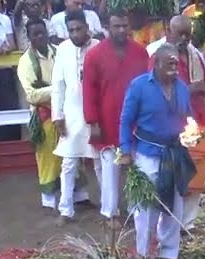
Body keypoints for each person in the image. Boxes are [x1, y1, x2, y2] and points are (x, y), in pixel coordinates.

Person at [119, 44, 194, 259]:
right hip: (147, 154)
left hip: (175, 153)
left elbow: (187, 118)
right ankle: (143, 252)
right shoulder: (139, 86)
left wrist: (192, 134)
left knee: (175, 204)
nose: (174, 67)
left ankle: (169, 253)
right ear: (157, 63)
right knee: (145, 207)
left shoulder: (182, 88)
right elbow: (126, 120)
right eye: (169, 63)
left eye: (176, 63)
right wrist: (125, 150)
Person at [148, 15, 205, 231]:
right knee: (172, 176)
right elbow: (155, 87)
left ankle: (189, 223)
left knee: (197, 175)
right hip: (171, 125)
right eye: (180, 34)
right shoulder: (157, 55)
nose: (184, 38)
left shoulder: (196, 54)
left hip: (197, 120)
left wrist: (194, 87)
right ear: (169, 30)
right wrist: (188, 88)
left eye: (188, 34)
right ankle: (169, 225)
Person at [83, 7, 149, 223]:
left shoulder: (141, 52)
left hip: (136, 122)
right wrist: (92, 121)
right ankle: (110, 212)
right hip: (107, 119)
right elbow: (89, 90)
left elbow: (148, 86)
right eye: (116, 26)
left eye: (124, 26)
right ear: (107, 27)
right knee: (110, 169)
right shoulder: (94, 55)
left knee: (136, 166)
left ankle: (135, 208)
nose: (121, 30)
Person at [51, 9, 98, 224]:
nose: (75, 33)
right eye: (71, 30)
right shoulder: (63, 49)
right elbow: (58, 85)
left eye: (79, 29)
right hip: (71, 111)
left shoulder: (98, 47)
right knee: (68, 163)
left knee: (100, 162)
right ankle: (65, 210)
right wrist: (57, 115)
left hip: (96, 113)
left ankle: (109, 209)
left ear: (87, 27)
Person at [17, 17, 60, 210]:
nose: (41, 36)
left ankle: (77, 196)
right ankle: (49, 201)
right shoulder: (26, 62)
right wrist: (59, 88)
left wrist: (48, 88)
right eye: (36, 34)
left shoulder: (58, 52)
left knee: (71, 155)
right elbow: (32, 95)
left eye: (43, 32)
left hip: (64, 111)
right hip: (44, 115)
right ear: (29, 37)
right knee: (47, 157)